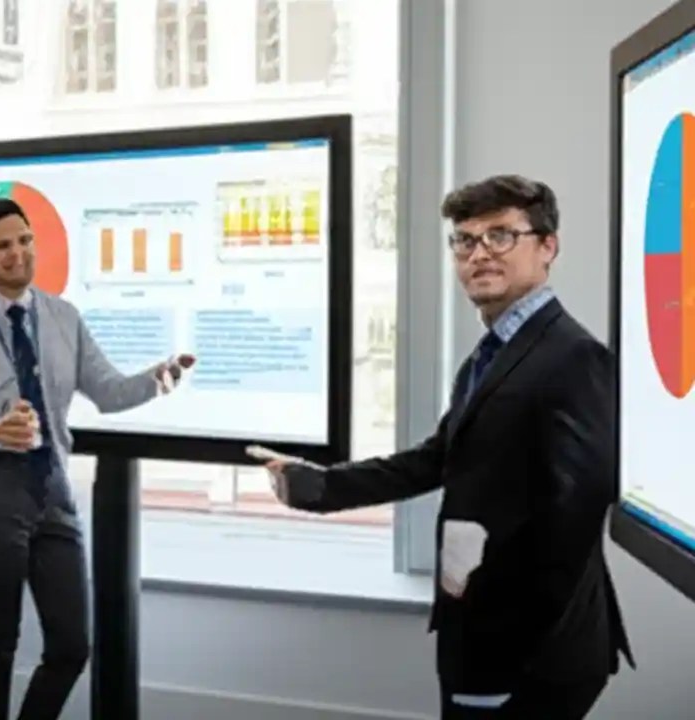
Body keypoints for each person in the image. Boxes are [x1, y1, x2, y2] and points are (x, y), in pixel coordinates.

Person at [260, 175, 633, 718]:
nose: (479, 253)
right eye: (465, 240)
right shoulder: (497, 351)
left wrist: (505, 658)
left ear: (547, 246)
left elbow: (577, 516)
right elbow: (440, 458)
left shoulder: (572, 357)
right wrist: (319, 484)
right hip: (489, 638)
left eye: (501, 235)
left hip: (525, 653)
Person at [0, 198, 195, 720]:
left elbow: (110, 391)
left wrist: (157, 378)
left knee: (73, 646)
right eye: (3, 245)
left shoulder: (63, 317)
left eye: (24, 240)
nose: (17, 253)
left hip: (52, 489)